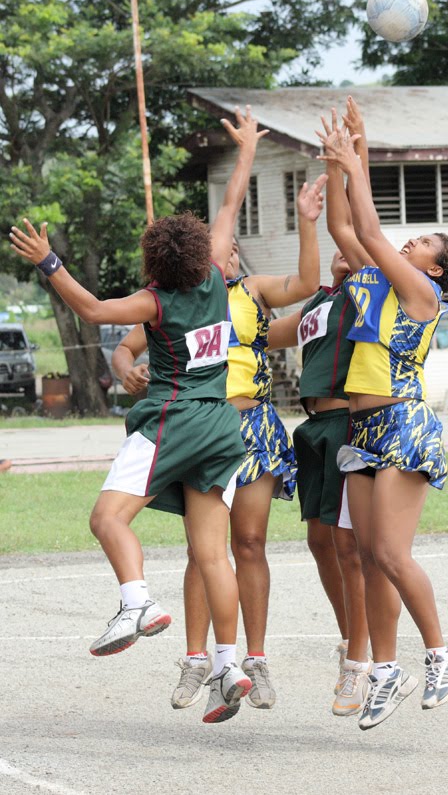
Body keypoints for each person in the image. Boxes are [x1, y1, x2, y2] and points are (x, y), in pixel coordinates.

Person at [9, 106, 273, 725]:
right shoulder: (216, 275)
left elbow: (97, 312)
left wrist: (49, 263)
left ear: (155, 264)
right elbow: (232, 202)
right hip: (221, 425)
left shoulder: (156, 301)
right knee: (214, 554)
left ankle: (137, 604)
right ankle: (229, 664)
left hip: (174, 419)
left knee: (106, 518)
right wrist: (247, 152)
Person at [113, 173, 328, 711]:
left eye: (231, 248)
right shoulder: (182, 299)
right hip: (200, 425)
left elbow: (305, 284)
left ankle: (251, 659)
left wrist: (308, 223)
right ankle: (196, 659)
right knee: (201, 549)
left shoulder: (251, 296)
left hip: (252, 429)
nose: (226, 253)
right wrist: (126, 371)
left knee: (249, 544)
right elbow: (125, 345)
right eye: (218, 248)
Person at [316, 116, 448, 730]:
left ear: (434, 269)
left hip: (404, 424)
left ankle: (442, 655)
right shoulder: (378, 281)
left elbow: (371, 229)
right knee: (366, 555)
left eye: (420, 245)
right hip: (362, 432)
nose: (408, 245)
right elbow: (344, 227)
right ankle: (385, 671)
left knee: (391, 553)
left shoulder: (423, 298)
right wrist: (338, 159)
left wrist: (360, 161)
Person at [267, 98, 371, 718]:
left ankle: (360, 659)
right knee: (317, 542)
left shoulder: (365, 289)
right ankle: (348, 643)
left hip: (349, 422)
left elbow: (353, 228)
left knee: (349, 546)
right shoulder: (315, 307)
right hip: (312, 429)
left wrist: (351, 156)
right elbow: (253, 333)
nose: (343, 251)